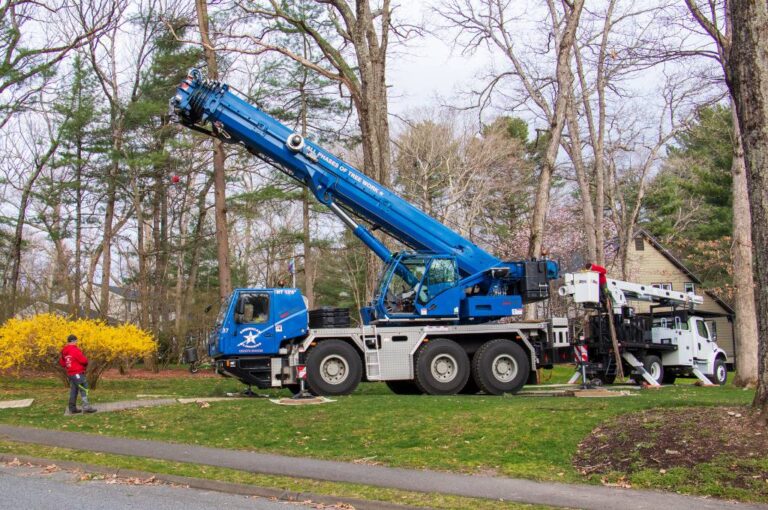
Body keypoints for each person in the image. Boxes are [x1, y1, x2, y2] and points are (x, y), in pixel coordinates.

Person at [59, 335, 96, 414]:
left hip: (71, 374)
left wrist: (69, 366)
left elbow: (62, 363)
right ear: (73, 341)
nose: (76, 343)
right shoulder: (75, 350)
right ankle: (86, 407)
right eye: (76, 341)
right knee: (84, 387)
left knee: (74, 390)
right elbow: (84, 360)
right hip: (77, 373)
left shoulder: (64, 351)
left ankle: (72, 408)